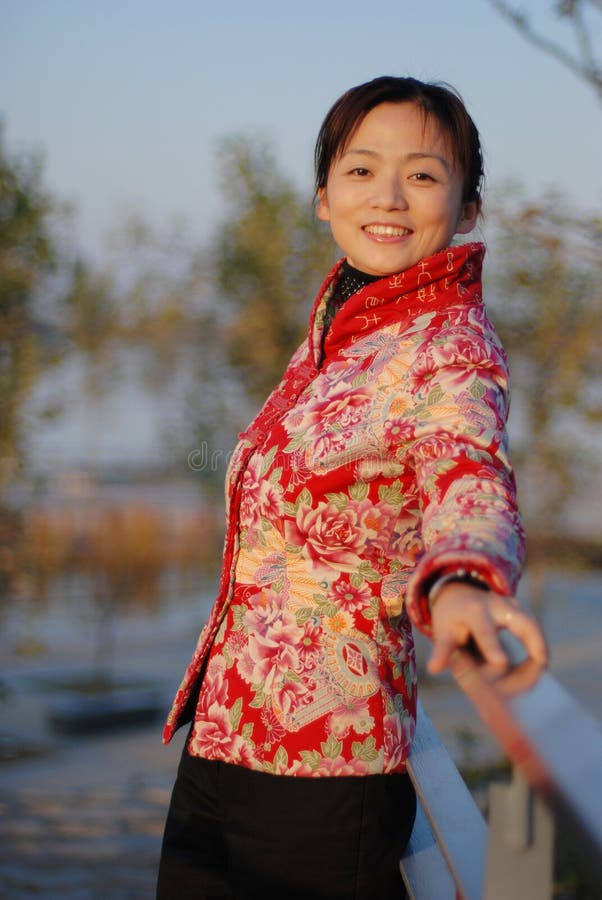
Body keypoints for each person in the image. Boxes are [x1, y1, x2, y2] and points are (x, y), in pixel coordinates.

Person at [156, 75, 548, 900]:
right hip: (226, 742)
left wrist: (467, 580)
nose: (391, 197)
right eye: (362, 169)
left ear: (468, 207)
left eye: (425, 174)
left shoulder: (449, 347)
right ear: (323, 197)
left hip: (329, 767)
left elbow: (467, 469)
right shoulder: (340, 335)